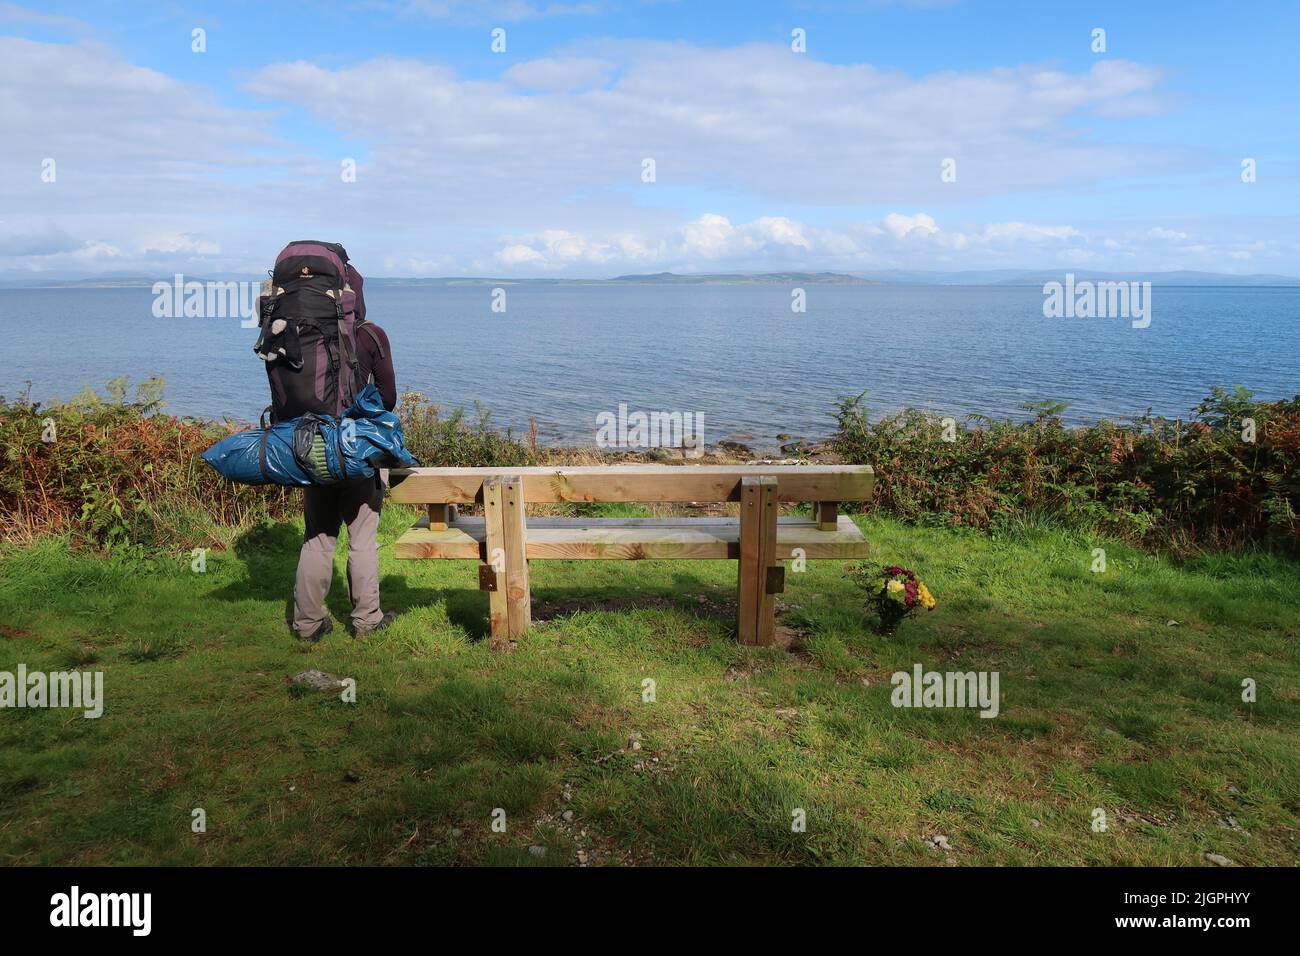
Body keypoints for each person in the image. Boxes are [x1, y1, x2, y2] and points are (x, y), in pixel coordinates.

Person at [290, 311, 399, 642]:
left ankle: (307, 625)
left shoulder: (303, 331)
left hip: (315, 450)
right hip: (356, 454)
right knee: (362, 538)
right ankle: (366, 621)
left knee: (317, 538)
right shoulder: (370, 334)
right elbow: (388, 398)